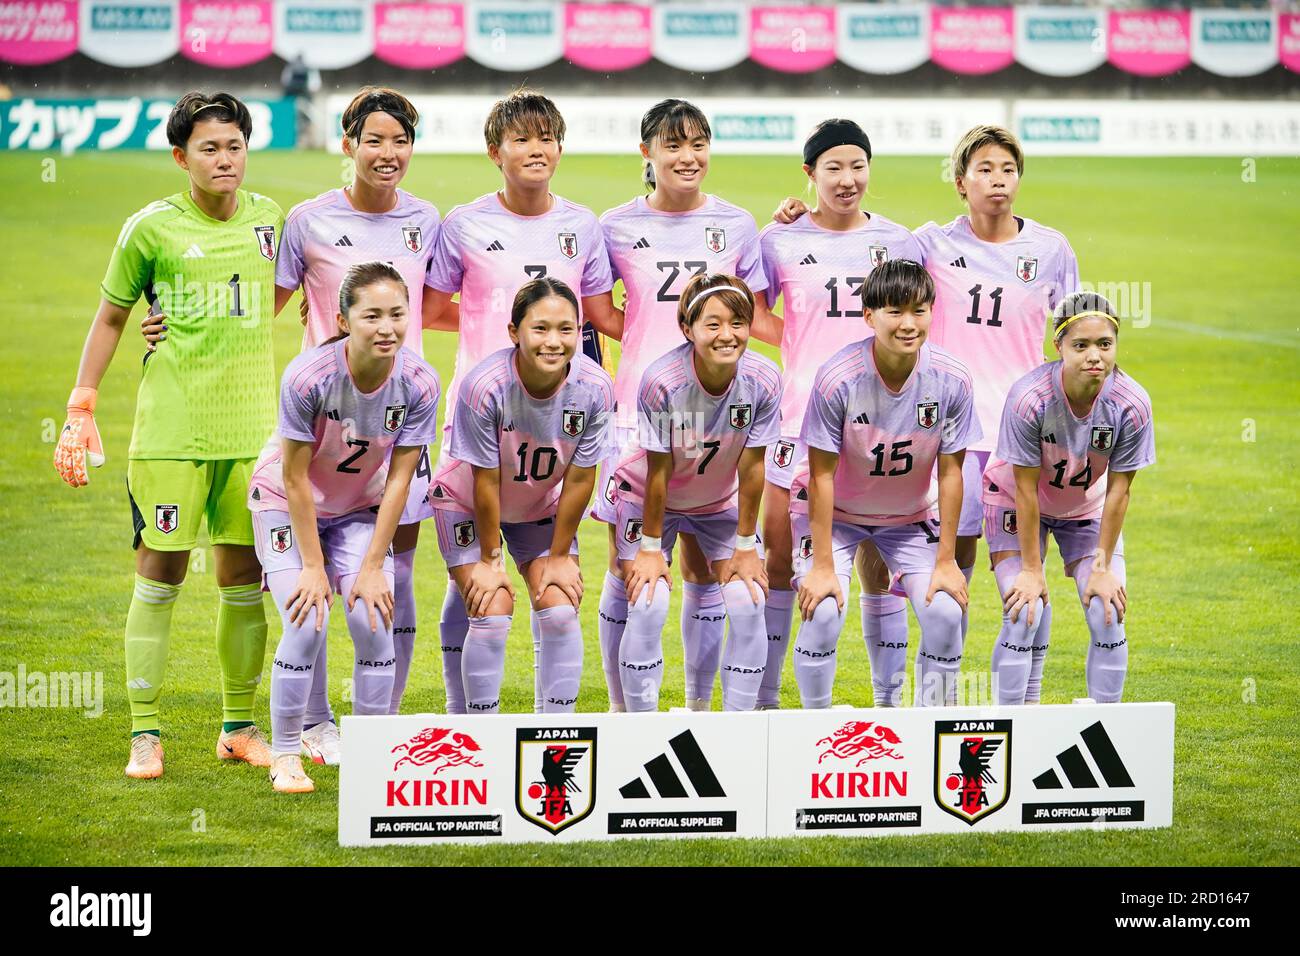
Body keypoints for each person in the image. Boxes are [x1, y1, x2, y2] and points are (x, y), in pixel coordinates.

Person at [143, 87, 448, 763]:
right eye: (374, 140)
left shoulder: (428, 220)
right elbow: (259, 309)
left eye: (401, 141)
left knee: (394, 577)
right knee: (311, 593)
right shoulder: (308, 221)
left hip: (400, 425)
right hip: (326, 425)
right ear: (348, 146)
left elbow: (449, 305)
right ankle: (313, 723)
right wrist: (174, 324)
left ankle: (380, 728)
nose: (388, 153)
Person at [54, 92, 282, 779]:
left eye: (234, 145)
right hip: (170, 435)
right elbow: (111, 317)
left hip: (253, 437)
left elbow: (277, 291)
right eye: (209, 149)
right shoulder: (150, 228)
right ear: (181, 157)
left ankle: (238, 727)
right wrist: (81, 404)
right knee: (161, 575)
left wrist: (188, 316)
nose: (224, 159)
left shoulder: (270, 220)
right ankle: (145, 733)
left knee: (244, 579)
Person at [425, 88, 619, 715]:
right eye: (522, 139)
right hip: (480, 420)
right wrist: (501, 339)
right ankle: (466, 721)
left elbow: (593, 318)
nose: (536, 149)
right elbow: (431, 309)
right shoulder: (464, 224)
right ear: (495, 151)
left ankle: (550, 735)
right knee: (479, 591)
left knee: (549, 592)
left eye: (547, 138)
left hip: (552, 427)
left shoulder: (582, 225)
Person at [597, 99, 776, 713]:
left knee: (704, 569)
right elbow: (599, 314)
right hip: (636, 412)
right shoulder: (614, 225)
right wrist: (656, 343)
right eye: (673, 145)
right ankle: (626, 715)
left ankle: (701, 711)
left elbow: (754, 311)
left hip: (719, 413)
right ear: (646, 153)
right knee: (634, 577)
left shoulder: (737, 224)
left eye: (698, 142)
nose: (687, 156)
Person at [248, 262, 440, 792]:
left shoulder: (420, 381)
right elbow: (292, 476)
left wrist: (376, 565)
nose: (387, 328)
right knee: (307, 620)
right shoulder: (309, 376)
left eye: (397, 315)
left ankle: (375, 755)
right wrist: (313, 566)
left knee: (374, 617)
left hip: (359, 509)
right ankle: (286, 755)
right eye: (372, 315)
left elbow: (400, 481)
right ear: (343, 319)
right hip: (287, 504)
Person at [757, 118, 924, 709]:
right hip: (799, 417)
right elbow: (750, 310)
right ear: (809, 174)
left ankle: (889, 704)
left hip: (879, 425)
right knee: (780, 561)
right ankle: (767, 702)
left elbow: (918, 320)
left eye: (858, 165)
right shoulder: (778, 240)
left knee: (881, 563)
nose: (848, 178)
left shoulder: (901, 243)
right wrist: (801, 343)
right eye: (833, 167)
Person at [792, 260, 979, 708]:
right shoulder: (839, 377)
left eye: (919, 311)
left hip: (910, 518)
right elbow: (820, 474)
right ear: (869, 315)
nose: (908, 324)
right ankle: (813, 728)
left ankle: (928, 726)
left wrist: (947, 560)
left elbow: (951, 473)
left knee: (945, 612)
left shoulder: (952, 379)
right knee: (822, 613)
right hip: (836, 519)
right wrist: (821, 565)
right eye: (895, 312)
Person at [427, 278, 613, 714]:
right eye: (540, 328)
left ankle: (554, 734)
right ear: (514, 333)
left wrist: (560, 554)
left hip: (538, 504)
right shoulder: (485, 385)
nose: (554, 341)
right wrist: (491, 560)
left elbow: (582, 479)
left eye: (566, 329)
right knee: (490, 607)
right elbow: (485, 481)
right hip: (467, 501)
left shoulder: (596, 389)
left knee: (561, 607)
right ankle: (476, 731)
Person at [614, 273, 779, 712]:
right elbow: (658, 471)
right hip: (650, 499)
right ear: (688, 329)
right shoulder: (663, 381)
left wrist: (746, 544)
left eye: (738, 322)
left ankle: (719, 720)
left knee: (749, 602)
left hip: (716, 502)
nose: (728, 335)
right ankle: (637, 722)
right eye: (713, 324)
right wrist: (650, 547)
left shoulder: (763, 379)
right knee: (647, 602)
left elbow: (753, 464)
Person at [986, 292, 1154, 705]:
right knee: (1024, 610)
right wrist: (1030, 568)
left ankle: (1106, 728)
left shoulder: (1131, 405)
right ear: (1057, 347)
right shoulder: (1029, 398)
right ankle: (1012, 723)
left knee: (1107, 610)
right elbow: (1024, 489)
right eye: (1080, 345)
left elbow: (1119, 490)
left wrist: (1101, 567)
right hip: (1015, 501)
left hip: (1085, 509)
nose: (1094, 356)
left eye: (1104, 344)